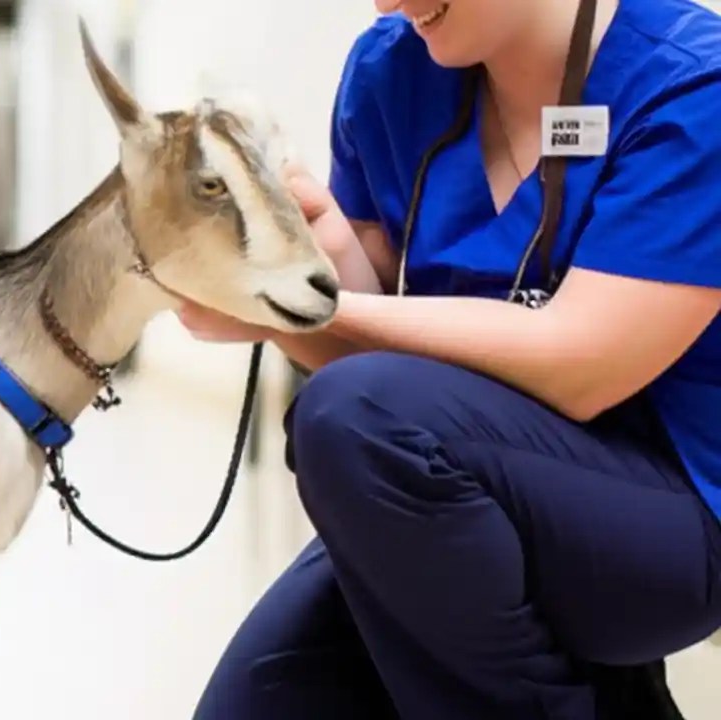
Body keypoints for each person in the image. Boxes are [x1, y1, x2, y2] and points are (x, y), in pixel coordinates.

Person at [181, 0, 721, 718]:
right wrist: (306, 266)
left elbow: (585, 367)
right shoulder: (391, 72)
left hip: (668, 519)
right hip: (451, 488)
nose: (386, 2)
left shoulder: (692, 84)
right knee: (260, 702)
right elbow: (373, 361)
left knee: (355, 420)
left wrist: (316, 306)